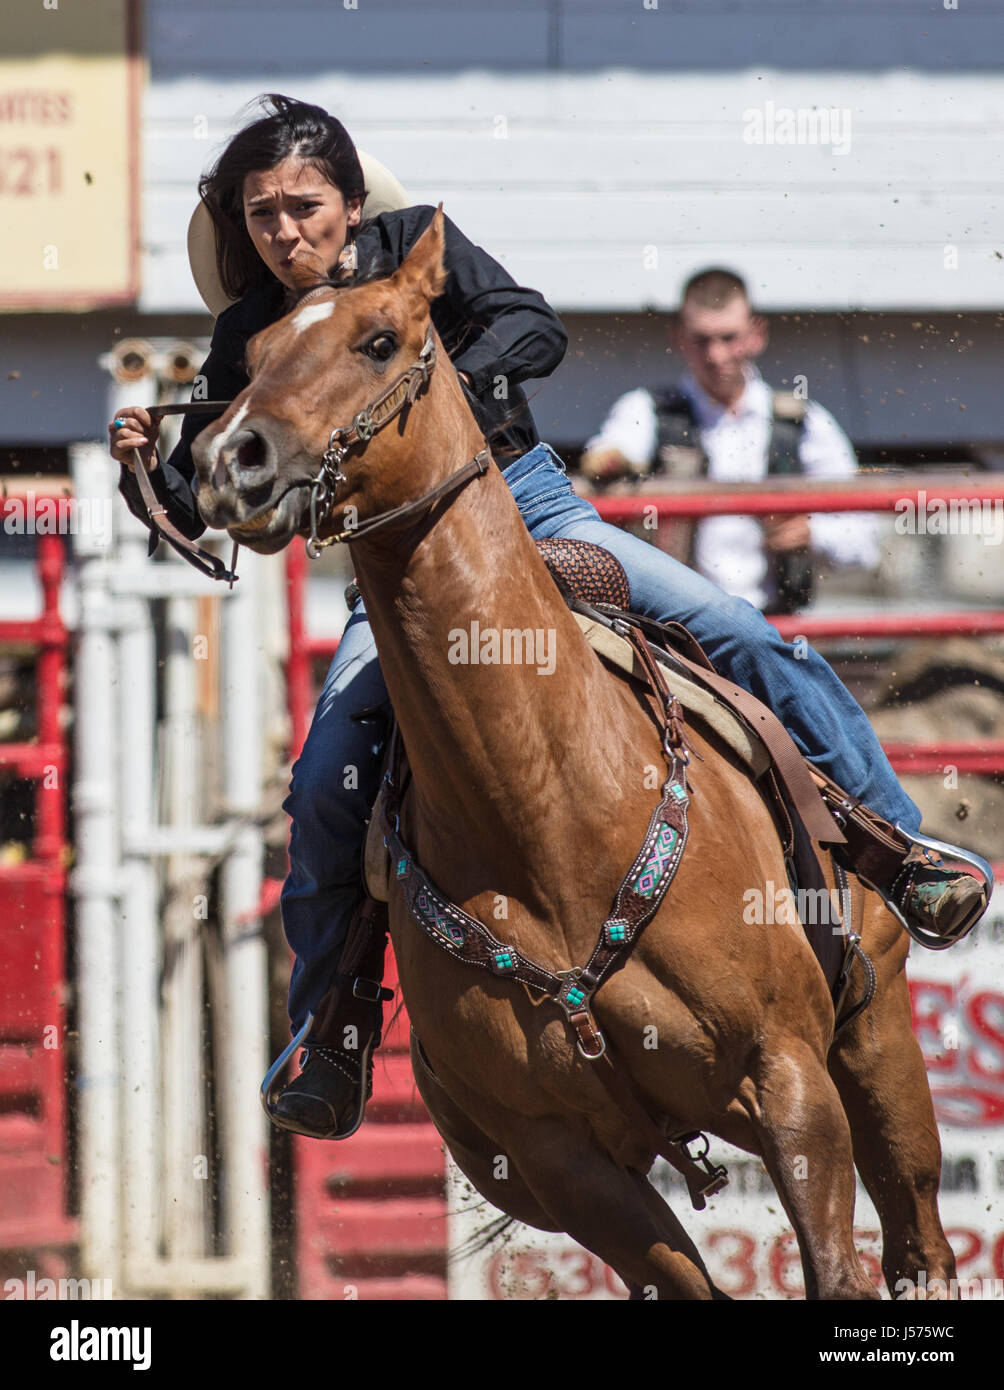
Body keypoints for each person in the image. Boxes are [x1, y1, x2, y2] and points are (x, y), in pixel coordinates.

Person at [109, 94, 988, 1141]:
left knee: (748, 636)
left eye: (303, 206)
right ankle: (329, 1025)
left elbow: (533, 323)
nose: (285, 232)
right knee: (319, 785)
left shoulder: (413, 246)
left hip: (528, 507)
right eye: (262, 216)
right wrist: (141, 472)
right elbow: (200, 488)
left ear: (350, 203)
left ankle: (895, 847)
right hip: (392, 576)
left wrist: (441, 386)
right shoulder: (248, 334)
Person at [580, 267, 878, 615]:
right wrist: (610, 463)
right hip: (676, 634)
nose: (716, 356)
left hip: (774, 626)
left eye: (728, 338)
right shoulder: (645, 411)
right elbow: (607, 457)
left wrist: (811, 533)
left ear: (757, 335)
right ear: (679, 338)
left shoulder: (804, 421)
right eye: (702, 339)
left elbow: (866, 540)